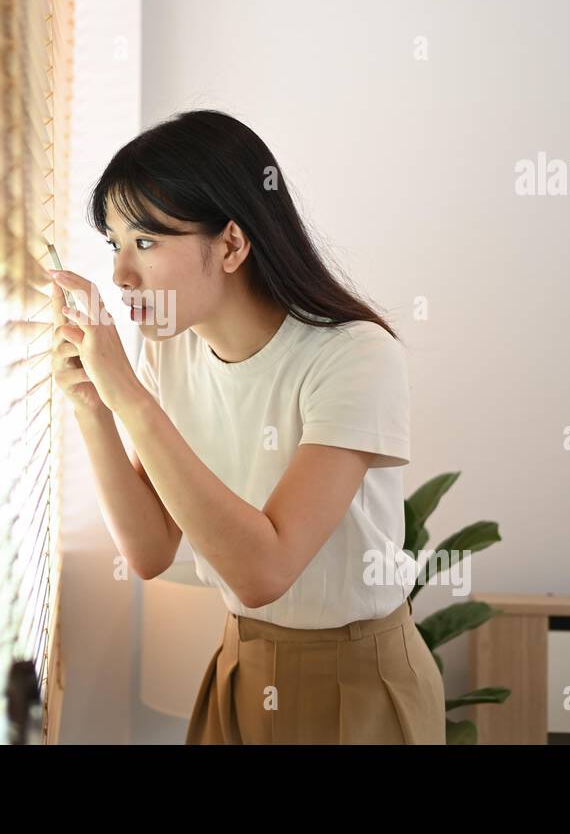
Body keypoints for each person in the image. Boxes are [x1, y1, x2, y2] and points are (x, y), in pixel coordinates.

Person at [48, 109, 445, 744]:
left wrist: (126, 395)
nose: (121, 275)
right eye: (114, 245)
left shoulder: (355, 356)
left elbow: (265, 572)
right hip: (241, 663)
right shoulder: (169, 349)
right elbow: (150, 552)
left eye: (146, 242)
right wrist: (94, 404)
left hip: (358, 679)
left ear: (231, 244)